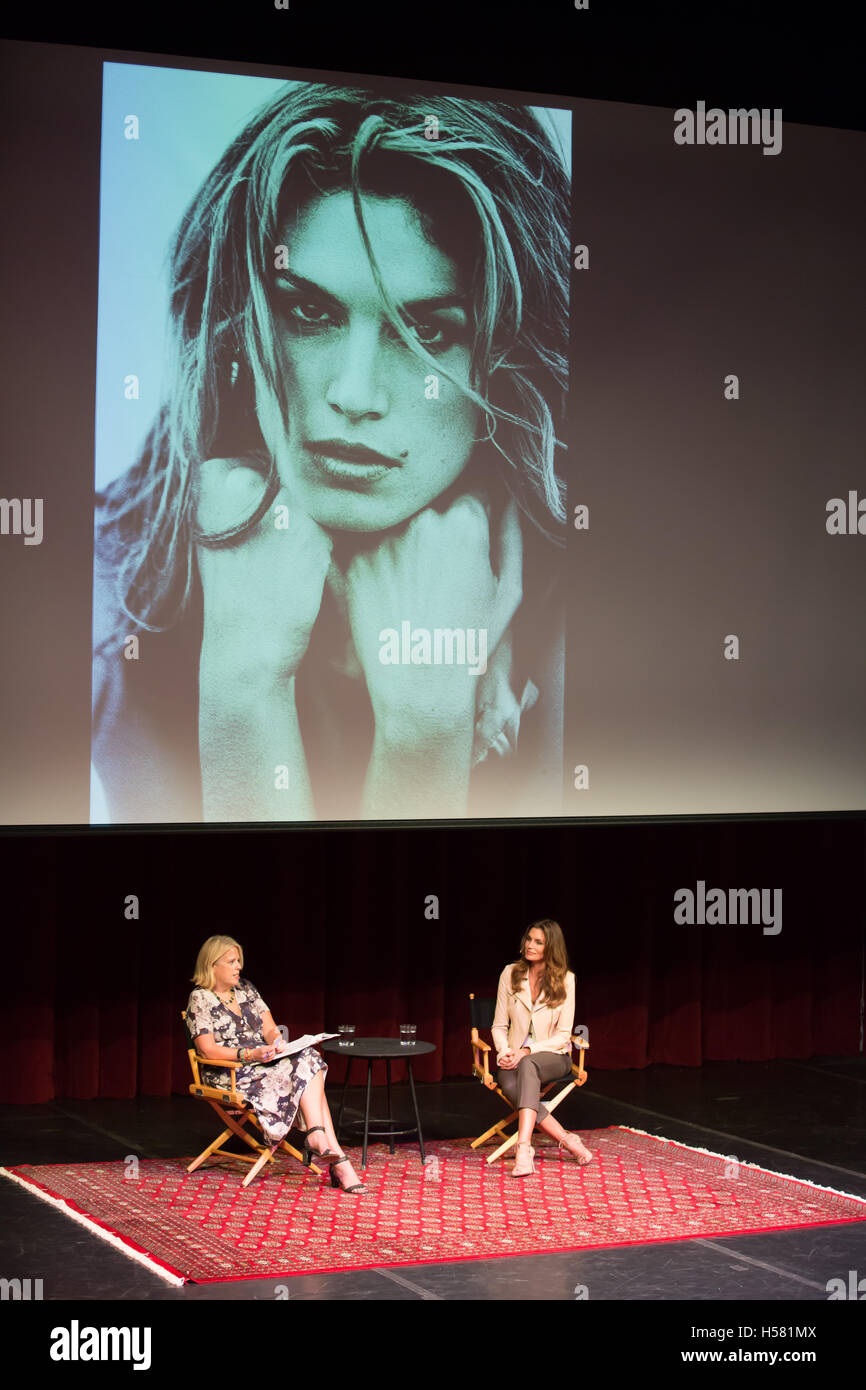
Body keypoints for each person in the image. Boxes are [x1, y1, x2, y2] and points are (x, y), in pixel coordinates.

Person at [92, 81, 568, 824]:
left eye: (428, 333)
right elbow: (236, 940)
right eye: (308, 312)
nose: (355, 392)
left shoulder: (604, 611)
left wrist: (426, 722)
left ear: (510, 361)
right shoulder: (114, 591)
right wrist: (241, 682)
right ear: (236, 328)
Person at [186, 934, 366, 1194]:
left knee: (309, 1058)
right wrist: (250, 1056)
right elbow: (207, 1048)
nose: (239, 967)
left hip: (263, 1063)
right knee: (308, 1070)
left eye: (239, 961)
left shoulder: (247, 988)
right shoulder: (200, 998)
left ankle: (318, 1137)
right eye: (232, 961)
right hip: (230, 1072)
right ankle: (337, 1158)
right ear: (212, 965)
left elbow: (270, 1029)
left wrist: (276, 1043)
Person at [492, 918, 593, 1176]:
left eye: (538, 942)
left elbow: (563, 1036)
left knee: (528, 1063)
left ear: (552, 948)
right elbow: (499, 1027)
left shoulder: (566, 980)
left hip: (553, 1057)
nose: (530, 945)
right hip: (513, 1059)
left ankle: (523, 1148)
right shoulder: (510, 973)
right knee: (516, 1083)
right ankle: (568, 1139)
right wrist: (505, 1052)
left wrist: (527, 1051)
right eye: (529, 939)